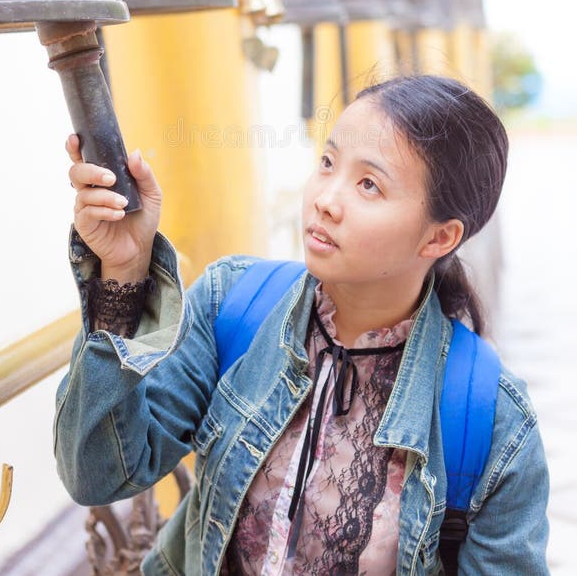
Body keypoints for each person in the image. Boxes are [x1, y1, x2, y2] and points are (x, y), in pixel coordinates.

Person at [55, 74, 550, 575]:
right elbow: (97, 476)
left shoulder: (491, 422)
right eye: (328, 163)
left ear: (439, 238)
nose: (325, 200)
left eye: (368, 185)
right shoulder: (232, 303)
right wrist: (122, 273)